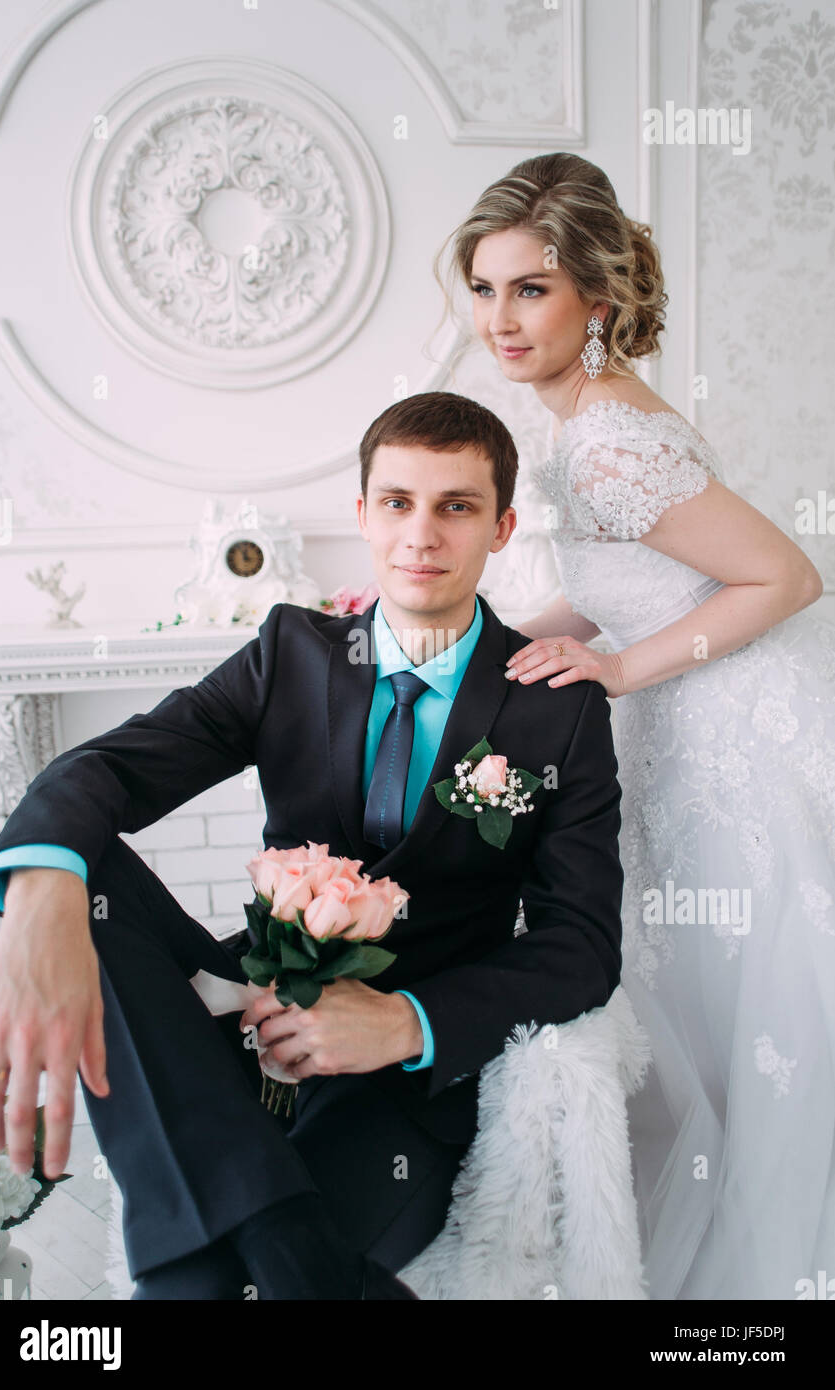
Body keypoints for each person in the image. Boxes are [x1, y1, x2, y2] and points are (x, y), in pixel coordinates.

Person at [0, 390, 624, 1300]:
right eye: (396, 502)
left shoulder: (555, 706)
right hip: (245, 1023)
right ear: (362, 515)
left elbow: (581, 945)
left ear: (502, 527)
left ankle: (236, 1258)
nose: (421, 535)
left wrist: (403, 1025)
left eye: (456, 506)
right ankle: (287, 1243)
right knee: (85, 868)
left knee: (210, 1282)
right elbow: (110, 769)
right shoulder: (291, 653)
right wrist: (39, 896)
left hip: (401, 1088)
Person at [436, 150, 835, 1300]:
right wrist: (498, 640)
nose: (500, 319)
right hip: (685, 710)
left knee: (753, 1028)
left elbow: (782, 579)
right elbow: (637, 582)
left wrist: (609, 673)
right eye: (483, 287)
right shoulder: (573, 425)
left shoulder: (606, 437)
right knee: (706, 1031)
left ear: (594, 300)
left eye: (530, 289)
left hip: (732, 740)